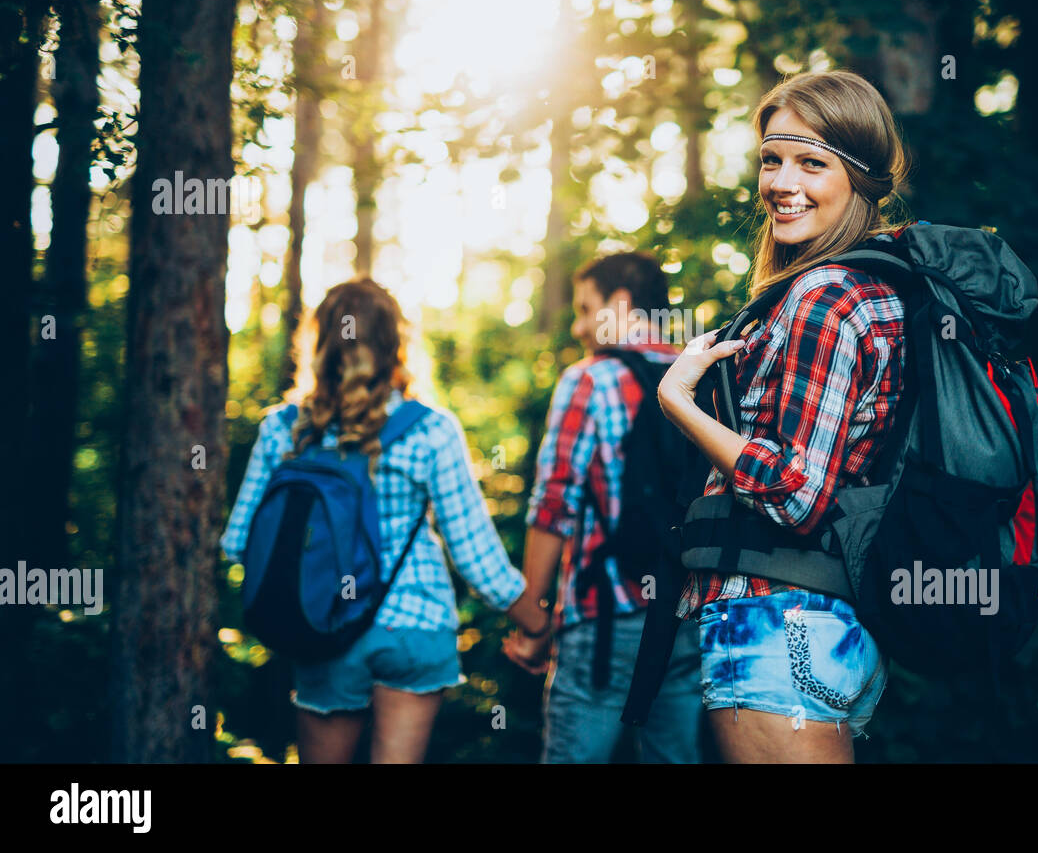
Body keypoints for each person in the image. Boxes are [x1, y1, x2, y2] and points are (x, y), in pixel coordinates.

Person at [655, 69, 909, 763]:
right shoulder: (878, 286)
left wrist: (676, 402)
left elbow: (795, 492)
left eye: (811, 161)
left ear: (858, 177)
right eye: (772, 158)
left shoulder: (824, 297)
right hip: (829, 626)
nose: (781, 181)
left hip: (774, 624)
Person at [221, 278, 549, 763]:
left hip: (323, 625)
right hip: (414, 627)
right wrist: (540, 626)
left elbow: (238, 541)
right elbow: (477, 559)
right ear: (397, 344)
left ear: (320, 343)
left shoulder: (282, 428)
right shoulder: (432, 429)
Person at [503, 252, 703, 763]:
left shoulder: (590, 380)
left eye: (586, 309)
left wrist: (533, 618)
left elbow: (553, 505)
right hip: (685, 614)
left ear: (619, 304)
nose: (578, 325)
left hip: (604, 616)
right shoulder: (698, 376)